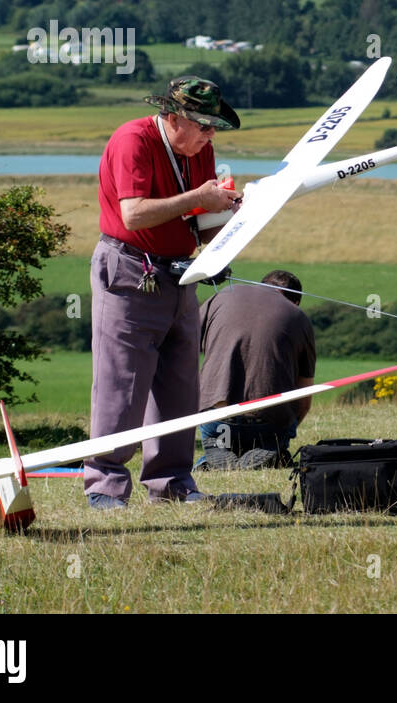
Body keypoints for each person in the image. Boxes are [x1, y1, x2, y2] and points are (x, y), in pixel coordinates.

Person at [84, 76, 242, 509]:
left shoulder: (200, 149)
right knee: (122, 381)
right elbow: (133, 215)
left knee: (179, 382)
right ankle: (105, 484)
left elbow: (200, 218)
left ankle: (173, 482)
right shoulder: (132, 139)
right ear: (173, 118)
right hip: (129, 268)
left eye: (214, 127)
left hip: (179, 272)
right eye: (203, 125)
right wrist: (199, 198)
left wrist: (234, 221)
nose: (211, 136)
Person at [195, 270, 316, 469]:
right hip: (267, 421)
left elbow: (185, 345)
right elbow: (305, 396)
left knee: (221, 437)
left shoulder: (222, 296)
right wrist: (288, 428)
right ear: (295, 301)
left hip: (217, 415)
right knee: (269, 438)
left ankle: (217, 454)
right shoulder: (298, 317)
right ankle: (269, 449)